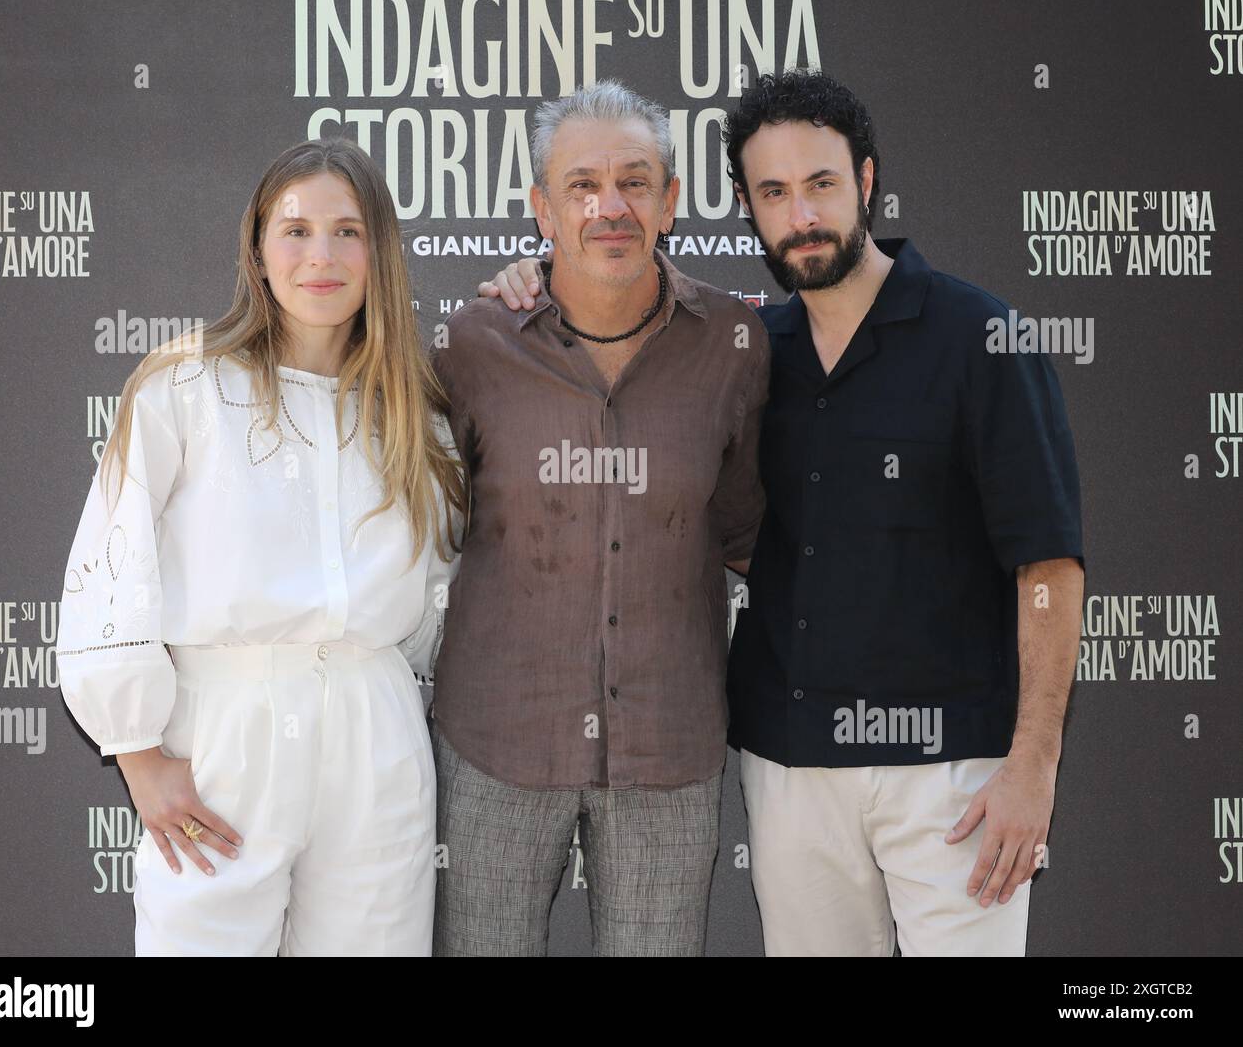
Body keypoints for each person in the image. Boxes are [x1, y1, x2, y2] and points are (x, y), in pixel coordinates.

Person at [480, 70, 1085, 957]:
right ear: (744, 207)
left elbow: (1049, 566)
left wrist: (1033, 765)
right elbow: (631, 298)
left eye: (821, 185)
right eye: (774, 192)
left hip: (955, 776)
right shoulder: (745, 350)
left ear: (868, 181)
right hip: (791, 769)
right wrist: (541, 272)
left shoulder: (981, 338)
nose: (801, 214)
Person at [55, 137, 466, 956]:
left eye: (348, 232)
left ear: (379, 251)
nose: (322, 255)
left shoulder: (417, 416)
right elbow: (111, 556)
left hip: (374, 732)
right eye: (296, 230)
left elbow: (438, 590)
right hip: (224, 734)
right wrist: (138, 753)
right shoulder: (181, 385)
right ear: (257, 249)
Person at [430, 79, 769, 956]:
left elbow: (748, 530)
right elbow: (425, 521)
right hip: (498, 740)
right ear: (543, 208)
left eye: (634, 181)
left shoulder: (735, 344)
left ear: (671, 202)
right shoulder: (474, 341)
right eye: (581, 185)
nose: (608, 205)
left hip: (669, 744)